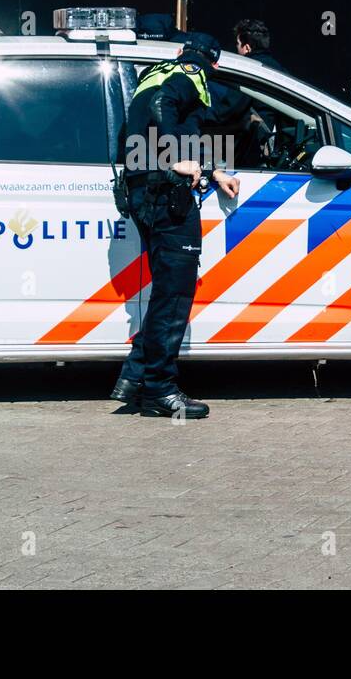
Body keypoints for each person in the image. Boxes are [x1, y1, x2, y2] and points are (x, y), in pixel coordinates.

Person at [112, 31, 240, 419]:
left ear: (181, 50)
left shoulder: (154, 72)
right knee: (175, 295)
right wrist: (173, 160)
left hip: (142, 190)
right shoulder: (190, 76)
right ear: (214, 63)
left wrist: (215, 169)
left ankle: (135, 377)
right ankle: (160, 391)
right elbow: (163, 106)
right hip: (166, 195)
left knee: (167, 291)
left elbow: (177, 130)